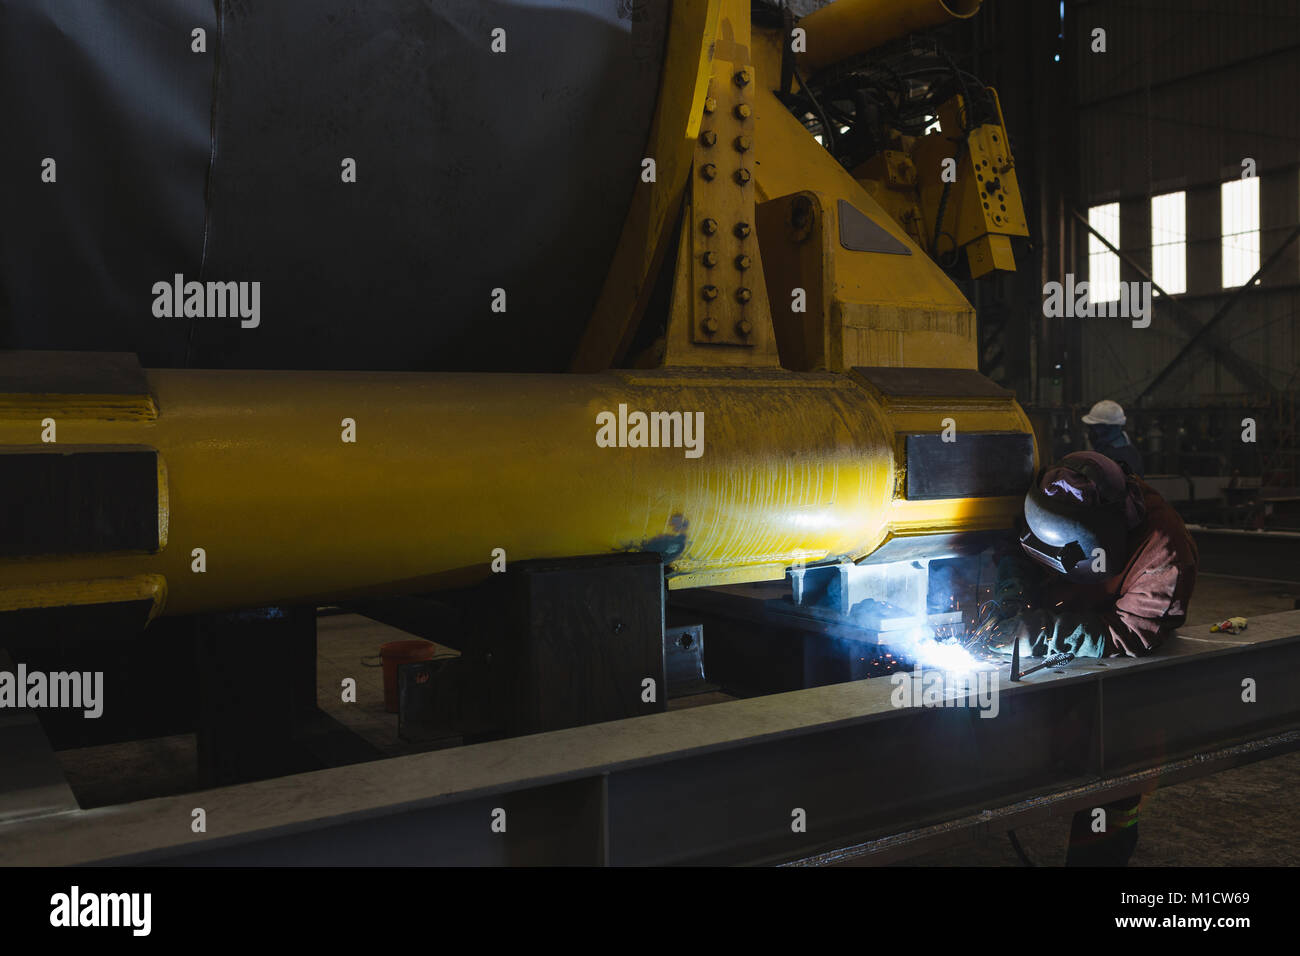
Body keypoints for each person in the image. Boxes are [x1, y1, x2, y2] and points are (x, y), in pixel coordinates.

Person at [985, 451, 1199, 864]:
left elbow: (1132, 633)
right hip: (1062, 637)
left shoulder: (1165, 554)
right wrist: (1012, 586)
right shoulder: (1054, 490)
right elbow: (1014, 542)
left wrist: (1043, 635)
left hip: (1126, 674)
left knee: (1115, 776)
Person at [1082, 399, 1143, 477]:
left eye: (1094, 428)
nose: (1091, 432)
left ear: (1108, 428)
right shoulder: (1109, 451)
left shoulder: (1120, 458)